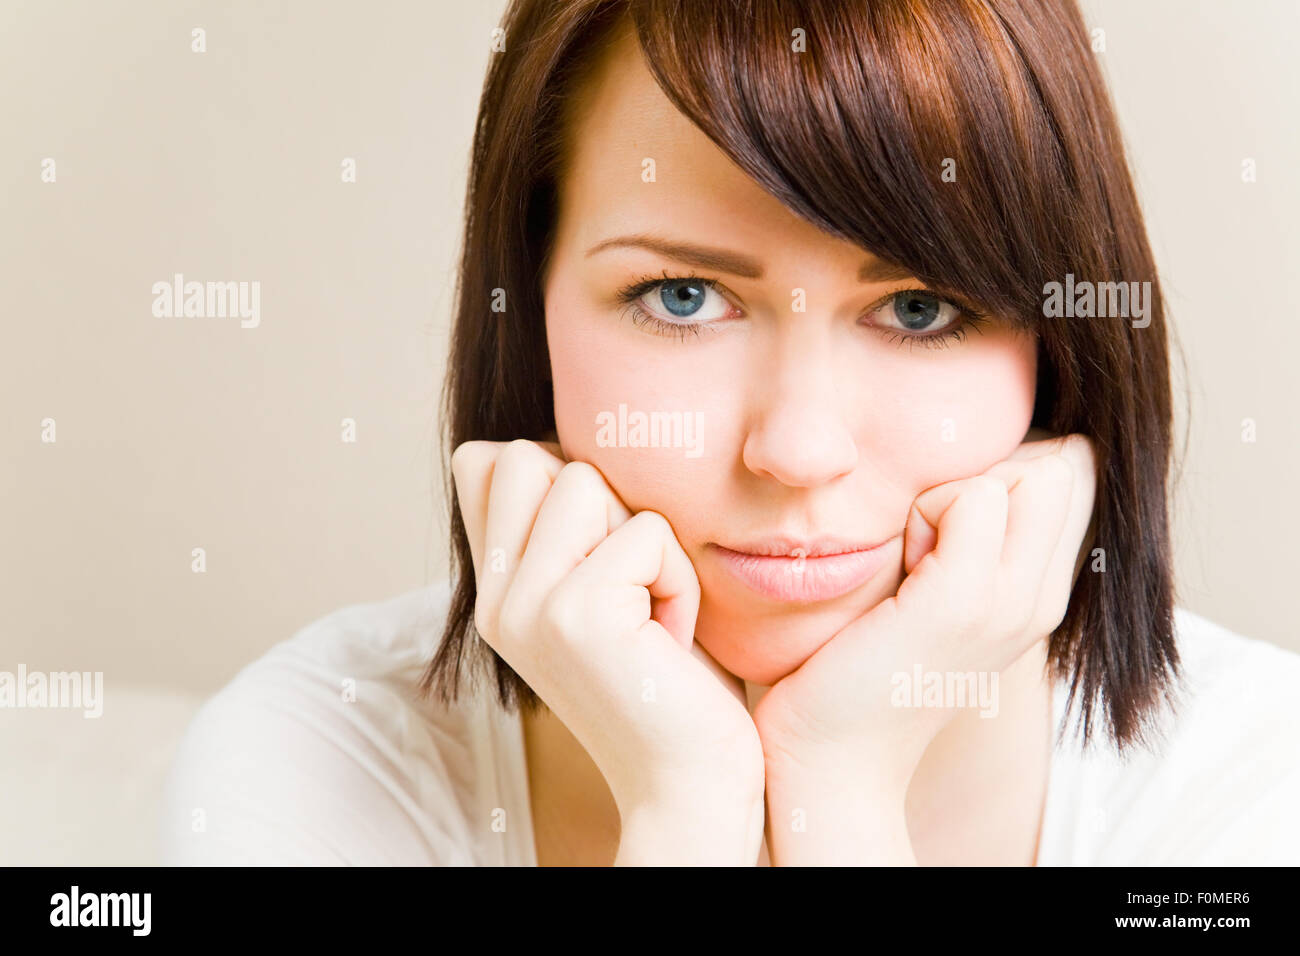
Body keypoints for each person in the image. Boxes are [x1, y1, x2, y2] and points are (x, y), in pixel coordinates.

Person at [159, 0, 1300, 866]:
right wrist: (683, 806)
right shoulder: (319, 764)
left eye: (918, 308)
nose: (796, 450)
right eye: (684, 297)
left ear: (1059, 350)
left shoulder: (1250, 789)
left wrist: (841, 790)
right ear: (528, 308)